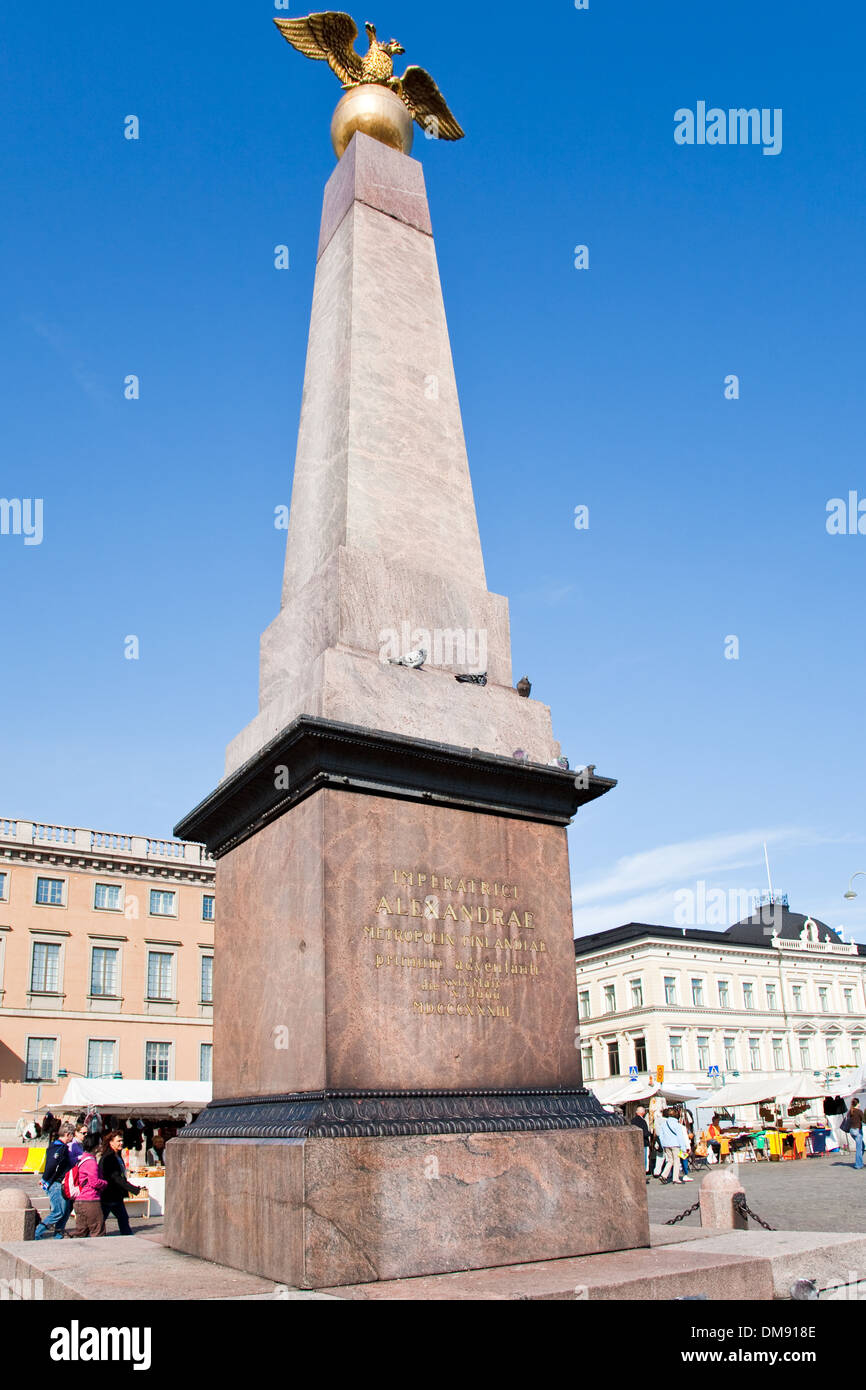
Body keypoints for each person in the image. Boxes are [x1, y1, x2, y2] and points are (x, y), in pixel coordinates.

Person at [34, 1123, 74, 1240]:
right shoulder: (59, 1148)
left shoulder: (59, 1146)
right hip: (56, 1184)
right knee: (58, 1212)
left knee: (65, 1212)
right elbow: (51, 1165)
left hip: (61, 1184)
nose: (72, 1138)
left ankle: (58, 1235)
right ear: (67, 1135)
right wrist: (45, 1179)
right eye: (71, 1135)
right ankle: (37, 1233)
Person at [99, 1130, 142, 1234]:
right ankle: (92, 1236)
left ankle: (127, 1236)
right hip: (109, 1194)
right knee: (102, 1220)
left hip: (115, 1195)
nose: (121, 1143)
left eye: (122, 1140)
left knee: (122, 1219)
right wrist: (132, 1189)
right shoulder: (109, 1157)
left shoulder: (117, 1155)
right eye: (118, 1141)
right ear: (111, 1142)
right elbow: (116, 1177)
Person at [66, 1134, 108, 1237]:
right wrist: (105, 1183)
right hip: (90, 1200)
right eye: (100, 1143)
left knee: (81, 1232)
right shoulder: (91, 1162)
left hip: (79, 1201)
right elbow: (94, 1182)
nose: (101, 1145)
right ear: (95, 1146)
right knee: (98, 1232)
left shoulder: (83, 1158)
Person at [658, 1108, 686, 1184]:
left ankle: (664, 1175)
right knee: (677, 1161)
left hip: (666, 1145)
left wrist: (663, 1145)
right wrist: (683, 1148)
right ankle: (675, 1178)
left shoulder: (664, 1124)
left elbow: (661, 1136)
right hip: (675, 1144)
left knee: (670, 1161)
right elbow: (680, 1137)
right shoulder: (677, 1125)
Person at [631, 1106, 651, 1182]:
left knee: (637, 1160)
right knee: (644, 1160)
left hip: (635, 1143)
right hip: (643, 1143)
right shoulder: (643, 1121)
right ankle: (643, 1176)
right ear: (643, 1112)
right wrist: (649, 1133)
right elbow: (645, 1133)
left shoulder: (632, 1120)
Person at [847, 1097, 864, 1170]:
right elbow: (864, 1119)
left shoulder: (850, 1111)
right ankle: (858, 1164)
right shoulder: (859, 1111)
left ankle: (859, 1162)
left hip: (851, 1131)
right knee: (859, 1148)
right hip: (857, 1130)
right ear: (858, 1103)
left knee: (862, 1146)